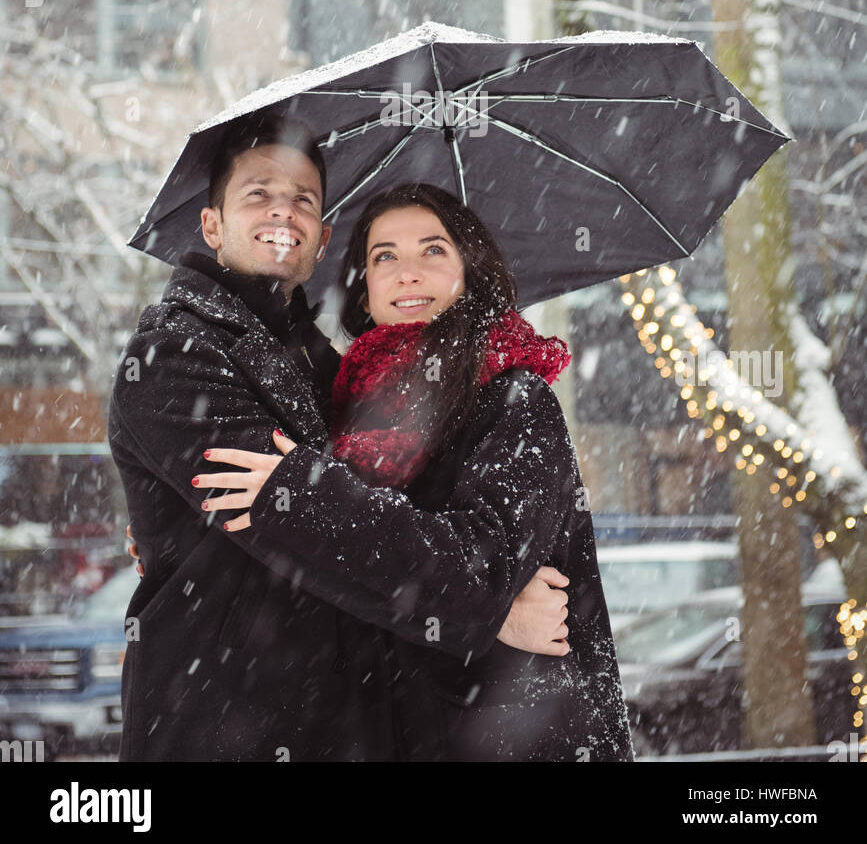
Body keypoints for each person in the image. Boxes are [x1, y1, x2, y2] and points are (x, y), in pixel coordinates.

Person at [110, 117, 570, 762]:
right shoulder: (174, 354)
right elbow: (291, 526)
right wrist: (489, 614)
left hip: (356, 722)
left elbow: (375, 523)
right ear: (212, 226)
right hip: (222, 717)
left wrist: (480, 603)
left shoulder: (339, 370)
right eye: (257, 194)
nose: (282, 212)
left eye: (302, 199)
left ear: (323, 239)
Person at [192, 181, 634, 762]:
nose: (408, 273)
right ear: (364, 288)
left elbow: (479, 570)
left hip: (514, 738)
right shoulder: (340, 417)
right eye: (384, 257)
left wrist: (307, 497)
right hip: (387, 730)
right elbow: (336, 573)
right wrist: (181, 539)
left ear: (470, 271)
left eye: (433, 250)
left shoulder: (514, 399)